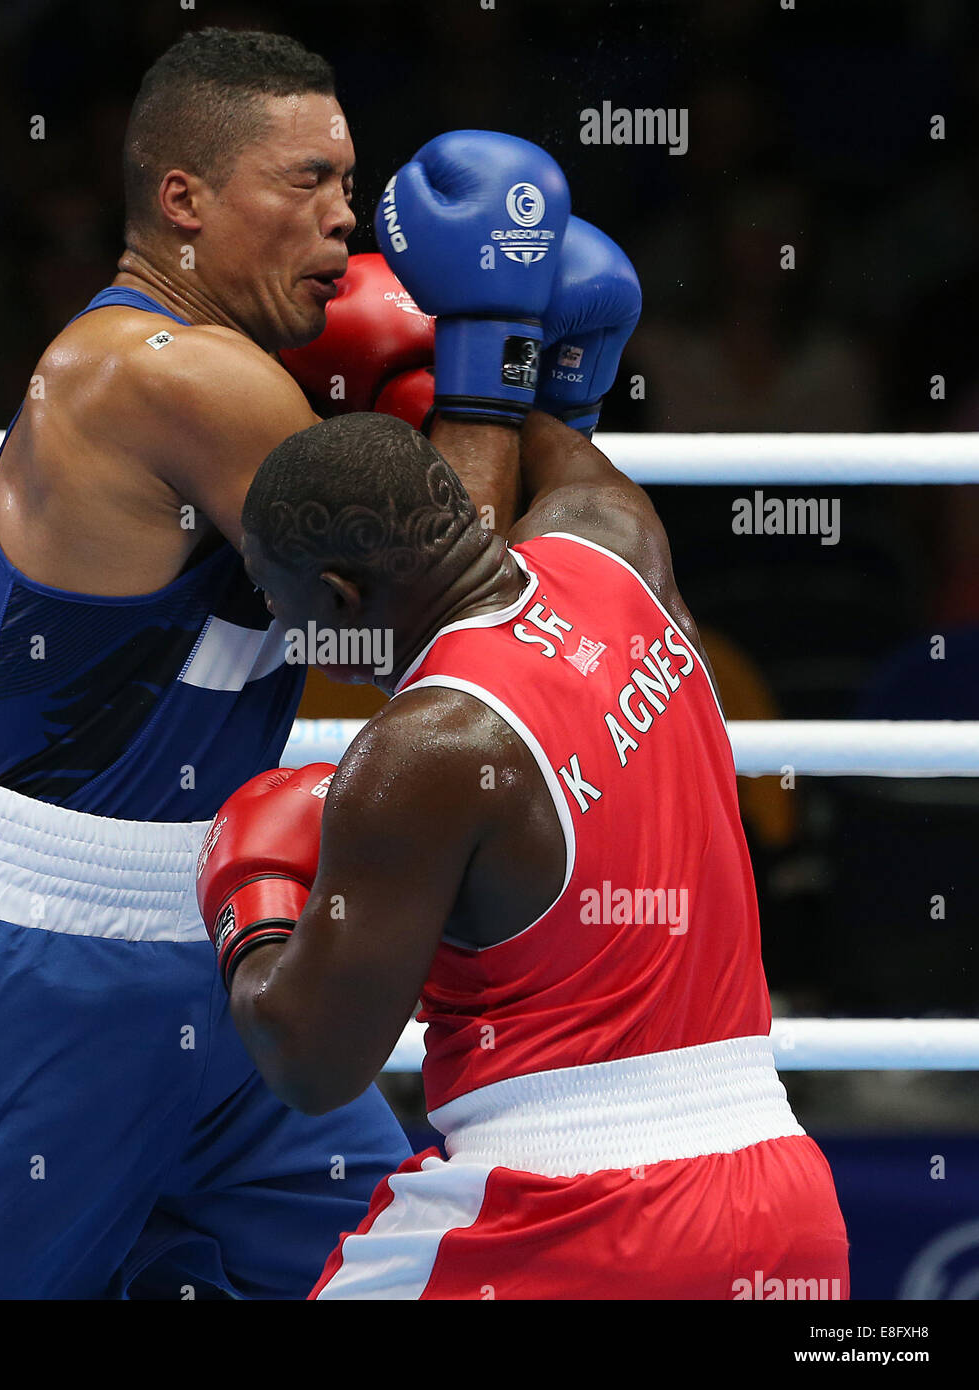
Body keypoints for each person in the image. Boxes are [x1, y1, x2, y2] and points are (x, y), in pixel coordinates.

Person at [0, 26, 571, 1299]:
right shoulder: (166, 376)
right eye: (304, 183)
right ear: (184, 201)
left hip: (223, 947)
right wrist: (494, 364)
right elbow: (440, 620)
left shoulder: (260, 376)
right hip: (28, 969)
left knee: (381, 1271)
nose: (344, 221)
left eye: (348, 182)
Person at [196, 219, 850, 1299]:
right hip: (780, 1202)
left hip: (562, 1212)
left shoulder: (419, 751)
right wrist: (465, 351)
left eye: (288, 606)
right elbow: (531, 429)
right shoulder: (613, 537)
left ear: (342, 599)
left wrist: (251, 900)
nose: (296, 636)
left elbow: (309, 1063)